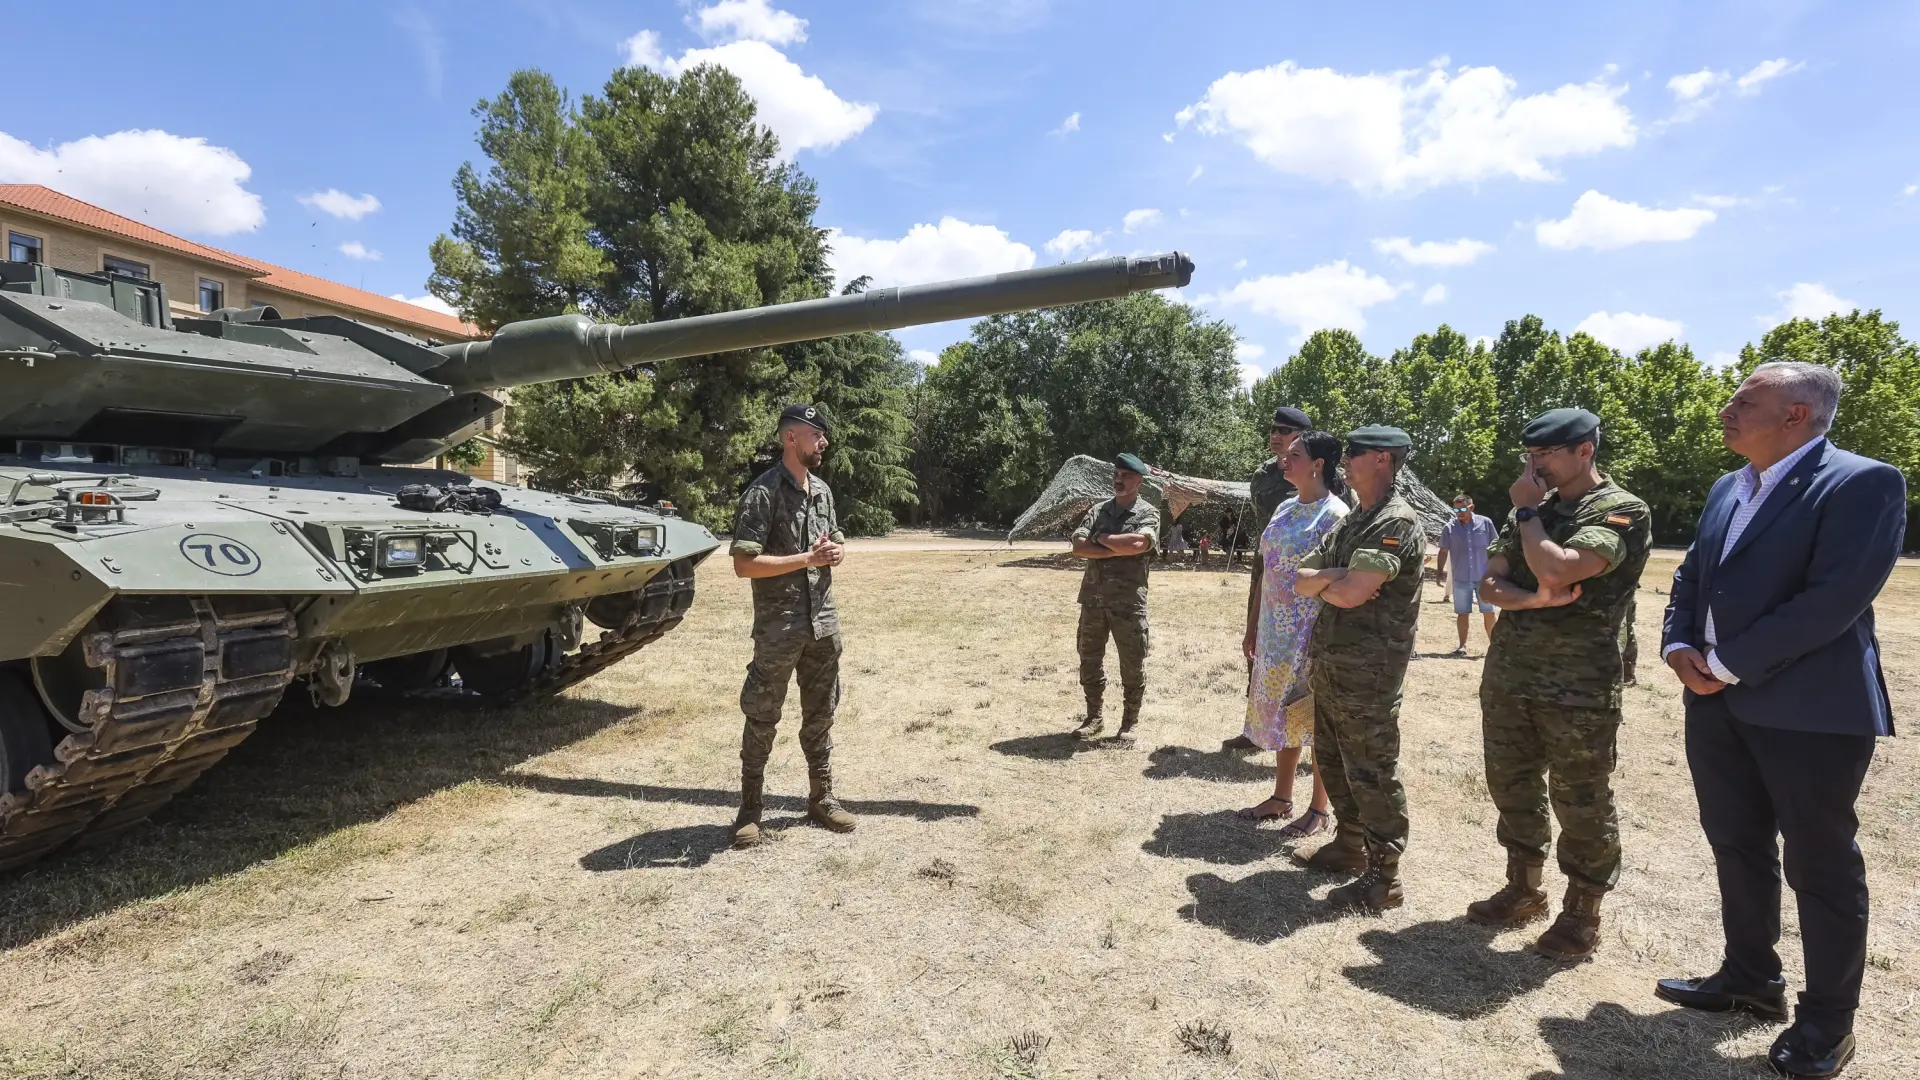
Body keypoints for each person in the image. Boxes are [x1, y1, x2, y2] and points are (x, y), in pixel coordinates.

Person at [1656, 363, 1904, 1080]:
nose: (1727, 409)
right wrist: (1678, 645)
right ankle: (1749, 978)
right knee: (1735, 844)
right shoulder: (1725, 487)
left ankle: (1827, 1023)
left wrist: (1726, 661)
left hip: (1809, 713)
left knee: (1819, 864)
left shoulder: (1863, 481)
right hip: (1714, 700)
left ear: (1796, 415)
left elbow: (1836, 599)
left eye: (1745, 400)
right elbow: (1693, 576)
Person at [1470, 409, 1652, 962]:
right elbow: (1490, 583)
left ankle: (1582, 913)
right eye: (1529, 456)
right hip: (1511, 675)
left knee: (1581, 799)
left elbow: (1559, 568)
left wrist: (1528, 513)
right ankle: (1524, 888)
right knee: (1511, 785)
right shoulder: (1533, 510)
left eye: (1545, 455)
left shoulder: (1620, 510)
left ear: (1584, 452)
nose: (1534, 465)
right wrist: (1528, 600)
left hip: (1580, 686)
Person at [1289, 426, 1426, 913]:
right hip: (1332, 667)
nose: (1345, 461)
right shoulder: (1357, 519)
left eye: (1356, 454)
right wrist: (1336, 576)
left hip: (1369, 674)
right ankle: (1349, 847)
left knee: (1371, 772)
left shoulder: (1397, 522)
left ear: (1384, 460)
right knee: (1334, 761)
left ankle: (1384, 878)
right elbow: (1301, 579)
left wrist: (1334, 581)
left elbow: (1349, 593)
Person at [727, 404, 856, 847]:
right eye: (816, 435)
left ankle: (822, 799)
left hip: (823, 624)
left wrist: (836, 552)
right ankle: (750, 809)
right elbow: (744, 564)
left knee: (821, 715)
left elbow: (834, 539)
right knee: (763, 715)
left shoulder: (822, 491)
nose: (823, 442)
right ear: (791, 438)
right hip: (779, 628)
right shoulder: (762, 494)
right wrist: (807, 559)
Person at [1233, 431, 1349, 839]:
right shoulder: (1284, 507)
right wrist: (1253, 626)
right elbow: (1267, 571)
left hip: (1308, 632)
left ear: (1317, 464)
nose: (1286, 459)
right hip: (1272, 630)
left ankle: (1319, 808)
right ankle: (1282, 798)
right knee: (1284, 713)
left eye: (1295, 455)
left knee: (1312, 716)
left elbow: (1339, 577)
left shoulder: (1335, 513)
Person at [1223, 405, 1313, 752]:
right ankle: (1256, 729)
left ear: (1301, 437)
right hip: (1268, 568)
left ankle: (1304, 734)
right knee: (1258, 645)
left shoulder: (1323, 473)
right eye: (1273, 429)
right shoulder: (1261, 475)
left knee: (1303, 655)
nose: (1276, 435)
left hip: (1308, 572)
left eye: (1284, 430)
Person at [1069, 453, 1162, 743]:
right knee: (1089, 660)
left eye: (1126, 475)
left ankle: (1129, 723)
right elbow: (1078, 546)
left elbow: (1138, 542)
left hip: (1128, 604)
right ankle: (1094, 717)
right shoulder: (1098, 510)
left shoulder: (1148, 513)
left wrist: (1101, 539)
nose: (1119, 480)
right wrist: (1115, 547)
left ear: (1139, 481)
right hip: (1093, 600)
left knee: (1132, 664)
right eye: (1116, 474)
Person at [1431, 493, 1500, 655]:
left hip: (1484, 577)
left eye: (1462, 509)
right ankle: (1462, 646)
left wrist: (1497, 570)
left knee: (1489, 611)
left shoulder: (1486, 523)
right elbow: (1443, 551)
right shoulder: (1449, 528)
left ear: (1471, 507)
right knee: (1463, 612)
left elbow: (1496, 547)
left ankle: (1495, 646)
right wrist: (1440, 572)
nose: (1459, 513)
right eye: (1456, 510)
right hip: (1461, 577)